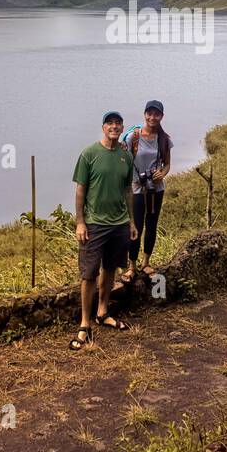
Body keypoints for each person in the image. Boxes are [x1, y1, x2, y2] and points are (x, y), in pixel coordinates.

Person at [69, 110, 139, 350]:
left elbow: (128, 190)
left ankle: (103, 311)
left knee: (110, 269)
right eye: (110, 123)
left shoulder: (125, 156)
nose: (114, 127)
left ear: (122, 128)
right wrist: (80, 222)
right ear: (103, 127)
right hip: (94, 224)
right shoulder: (89, 154)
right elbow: (80, 190)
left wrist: (131, 222)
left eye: (118, 124)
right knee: (89, 274)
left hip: (119, 224)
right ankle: (84, 323)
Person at [121, 100, 172, 285]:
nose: (152, 117)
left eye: (156, 114)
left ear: (161, 117)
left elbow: (167, 164)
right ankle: (131, 266)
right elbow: (123, 160)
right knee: (135, 226)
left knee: (152, 224)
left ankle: (146, 262)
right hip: (136, 188)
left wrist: (162, 173)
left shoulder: (164, 139)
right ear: (144, 114)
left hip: (155, 189)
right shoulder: (133, 137)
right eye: (149, 113)